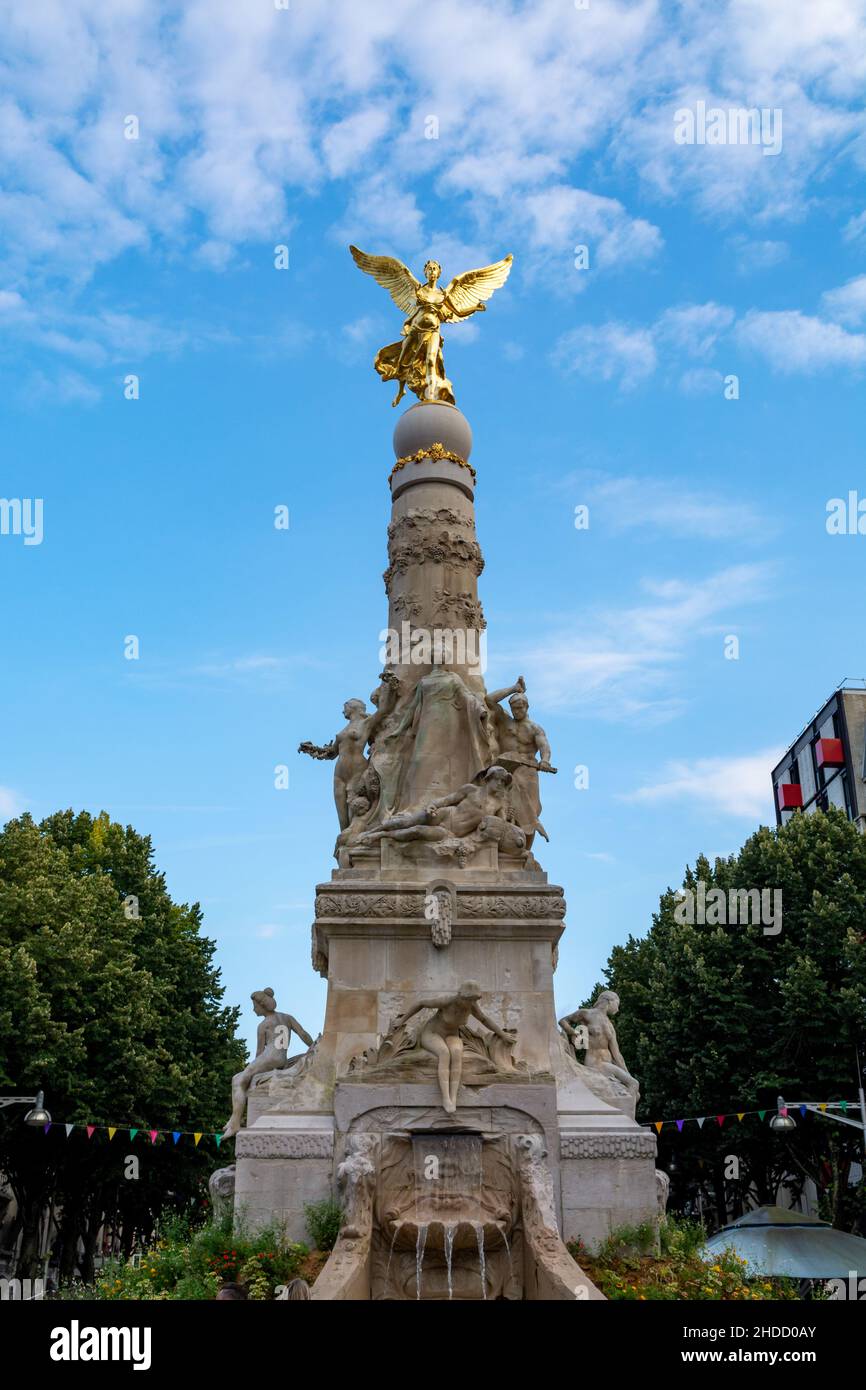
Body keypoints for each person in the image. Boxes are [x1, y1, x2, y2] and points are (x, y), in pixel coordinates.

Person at [393, 980, 514, 1113]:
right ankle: (446, 1098)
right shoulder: (447, 1001)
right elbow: (421, 1003)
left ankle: (453, 1098)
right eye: (468, 1000)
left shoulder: (471, 1006)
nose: (471, 1003)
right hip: (432, 1034)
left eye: (473, 1000)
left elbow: (484, 1019)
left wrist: (503, 1035)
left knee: (456, 1053)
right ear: (460, 996)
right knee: (444, 1053)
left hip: (452, 1034)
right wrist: (402, 1020)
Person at [222, 989, 314, 1138]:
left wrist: (252, 1072)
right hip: (281, 1058)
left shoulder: (264, 1024)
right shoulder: (287, 1017)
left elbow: (259, 1053)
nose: (253, 1010)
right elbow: (303, 1033)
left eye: (255, 1006)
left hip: (269, 1057)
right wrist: (312, 1047)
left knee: (237, 1080)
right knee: (241, 1077)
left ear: (262, 1005)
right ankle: (234, 1120)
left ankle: (235, 1123)